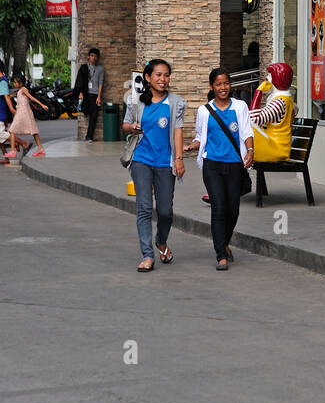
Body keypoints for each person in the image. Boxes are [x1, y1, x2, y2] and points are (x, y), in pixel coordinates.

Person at [184, 68, 253, 271]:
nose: (223, 88)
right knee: (219, 208)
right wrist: (192, 146)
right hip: (212, 165)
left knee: (233, 210)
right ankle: (220, 254)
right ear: (212, 87)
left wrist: (250, 151)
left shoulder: (240, 107)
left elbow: (247, 131)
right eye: (218, 84)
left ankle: (223, 242)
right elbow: (200, 136)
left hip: (234, 165)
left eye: (226, 83)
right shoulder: (205, 111)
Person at [121, 58, 186, 274]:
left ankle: (161, 241)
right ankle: (147, 255)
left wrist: (178, 159)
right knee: (145, 207)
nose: (163, 79)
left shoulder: (175, 102)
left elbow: (177, 130)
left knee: (166, 211)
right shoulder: (136, 100)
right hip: (142, 159)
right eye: (158, 75)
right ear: (148, 78)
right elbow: (125, 125)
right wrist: (132, 127)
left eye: (166, 75)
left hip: (165, 162)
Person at [4, 76, 48, 159]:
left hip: (22, 112)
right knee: (33, 131)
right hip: (24, 112)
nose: (14, 83)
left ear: (21, 83)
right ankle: (40, 148)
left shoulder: (24, 89)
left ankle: (13, 151)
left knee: (12, 130)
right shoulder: (19, 90)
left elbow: (31, 98)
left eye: (16, 82)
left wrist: (42, 105)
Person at [76, 47, 105, 142]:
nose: (93, 58)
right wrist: (80, 93)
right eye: (92, 56)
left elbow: (101, 83)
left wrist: (99, 97)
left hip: (95, 95)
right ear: (88, 57)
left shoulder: (100, 69)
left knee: (94, 116)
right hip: (85, 94)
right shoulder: (84, 67)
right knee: (86, 113)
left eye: (95, 56)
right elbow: (79, 81)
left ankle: (89, 136)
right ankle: (88, 135)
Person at [0, 60, 14, 157]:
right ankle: (5, 154)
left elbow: (6, 97)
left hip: (0, 112)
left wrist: (12, 109)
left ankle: (23, 143)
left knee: (0, 134)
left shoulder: (2, 82)